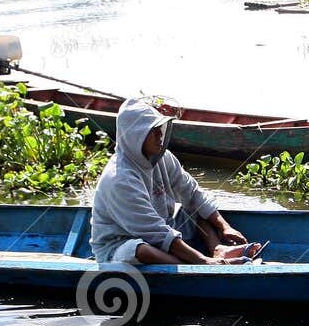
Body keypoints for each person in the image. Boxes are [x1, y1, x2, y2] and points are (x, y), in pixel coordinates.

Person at [90, 98, 259, 265]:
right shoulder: (120, 179)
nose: (160, 136)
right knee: (141, 250)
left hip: (161, 228)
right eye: (153, 131)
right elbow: (154, 231)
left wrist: (225, 227)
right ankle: (193, 265)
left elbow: (192, 193)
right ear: (135, 136)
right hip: (119, 244)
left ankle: (217, 249)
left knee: (195, 208)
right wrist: (203, 261)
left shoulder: (164, 158)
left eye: (160, 129)